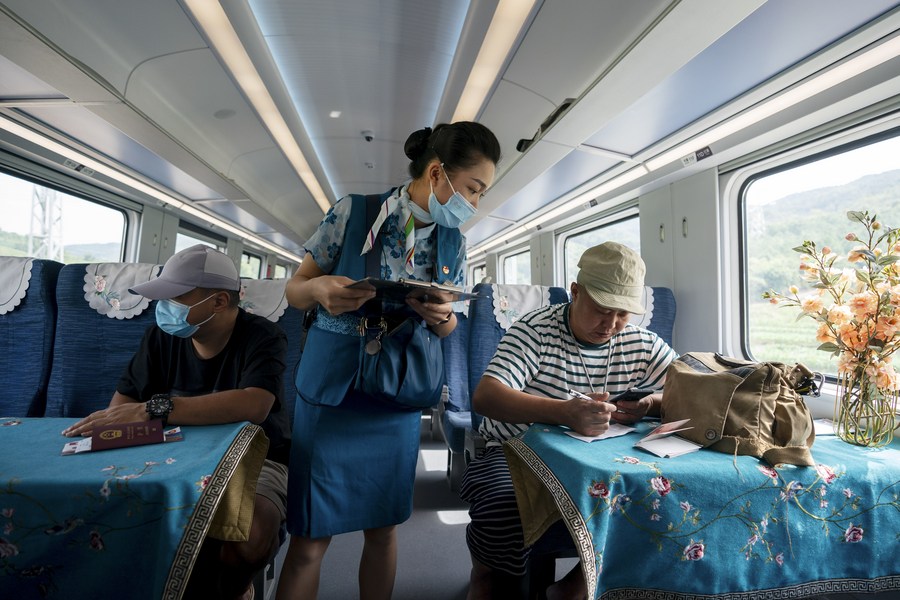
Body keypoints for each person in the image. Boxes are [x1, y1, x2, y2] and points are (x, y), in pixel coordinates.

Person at [276, 122, 501, 600]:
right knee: (310, 538)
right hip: (333, 394)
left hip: (397, 397)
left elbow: (450, 326)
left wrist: (441, 317)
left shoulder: (453, 243)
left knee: (383, 531)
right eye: (472, 189)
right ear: (437, 172)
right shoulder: (353, 212)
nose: (474, 204)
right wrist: (319, 290)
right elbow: (295, 290)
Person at [63, 244, 291, 600]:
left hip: (254, 458)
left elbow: (254, 404)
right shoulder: (160, 337)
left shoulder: (263, 336)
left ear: (218, 301)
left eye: (176, 297)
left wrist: (155, 409)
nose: (163, 308)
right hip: (172, 453)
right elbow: (123, 404)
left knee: (247, 539)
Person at [460, 242, 678, 600]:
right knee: (503, 507)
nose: (611, 324)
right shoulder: (534, 332)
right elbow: (486, 396)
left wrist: (650, 403)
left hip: (600, 456)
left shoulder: (641, 342)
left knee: (660, 499)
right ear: (575, 292)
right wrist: (565, 412)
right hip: (514, 449)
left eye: (623, 313)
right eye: (601, 310)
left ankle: (575, 586)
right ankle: (485, 571)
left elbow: (690, 388)